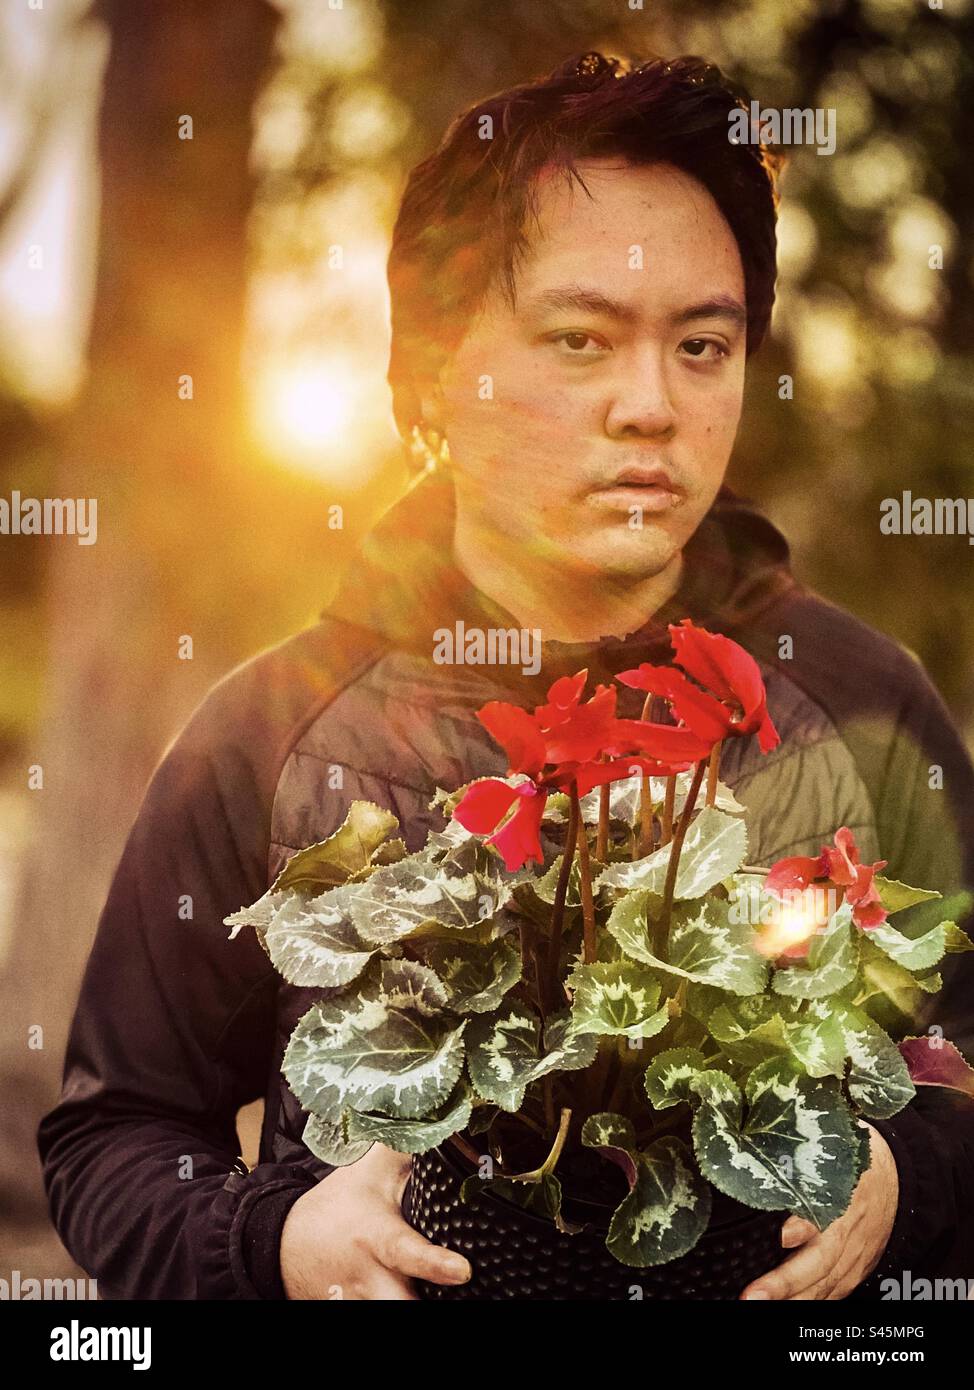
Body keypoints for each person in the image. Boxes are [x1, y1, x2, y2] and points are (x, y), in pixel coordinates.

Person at [38, 51, 974, 1302]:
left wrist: (907, 1170)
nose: (651, 405)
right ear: (431, 369)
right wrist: (270, 1242)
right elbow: (114, 1134)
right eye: (579, 340)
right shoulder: (267, 733)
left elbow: (959, 1052)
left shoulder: (862, 701)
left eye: (702, 344)